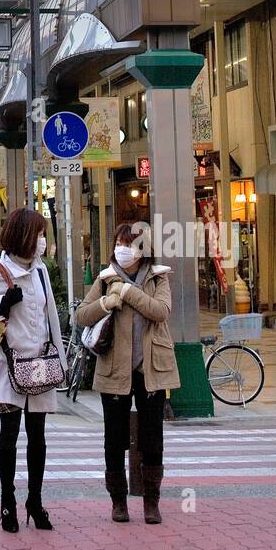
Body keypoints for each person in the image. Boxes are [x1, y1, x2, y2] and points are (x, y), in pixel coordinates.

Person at [0, 207, 66, 533]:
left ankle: (34, 502)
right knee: (8, 435)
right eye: (38, 235)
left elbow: (51, 318)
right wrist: (4, 303)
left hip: (40, 365)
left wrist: (60, 362)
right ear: (23, 236)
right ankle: (7, 502)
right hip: (9, 365)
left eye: (43, 235)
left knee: (38, 436)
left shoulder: (40, 271)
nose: (42, 242)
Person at [76, 222, 180, 525]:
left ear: (143, 249)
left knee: (152, 438)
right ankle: (118, 502)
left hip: (151, 370)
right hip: (114, 370)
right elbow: (82, 314)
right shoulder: (105, 278)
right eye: (119, 243)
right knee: (114, 438)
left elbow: (161, 311)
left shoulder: (159, 277)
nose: (122, 249)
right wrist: (106, 301)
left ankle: (151, 501)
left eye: (129, 244)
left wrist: (128, 292)